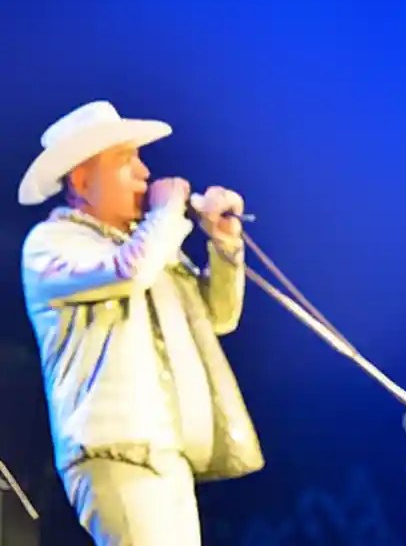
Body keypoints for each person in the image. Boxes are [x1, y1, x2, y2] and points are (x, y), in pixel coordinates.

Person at [17, 100, 264, 545]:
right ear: (80, 179)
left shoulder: (150, 242)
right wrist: (167, 214)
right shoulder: (52, 242)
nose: (144, 174)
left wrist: (224, 244)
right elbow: (128, 271)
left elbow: (218, 318)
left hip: (170, 451)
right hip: (114, 449)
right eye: (125, 161)